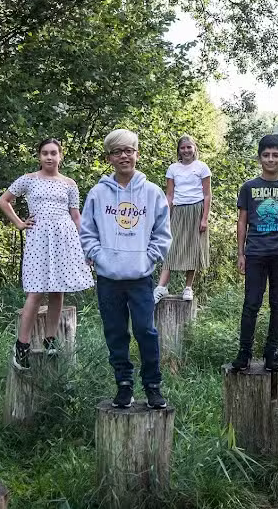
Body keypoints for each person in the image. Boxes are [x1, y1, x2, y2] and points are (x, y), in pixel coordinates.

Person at [80, 129, 171, 409]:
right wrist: (99, 256)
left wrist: (149, 259)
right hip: (108, 278)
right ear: (109, 158)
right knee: (116, 332)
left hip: (141, 277)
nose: (124, 156)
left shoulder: (152, 192)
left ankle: (152, 386)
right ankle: (124, 385)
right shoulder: (98, 193)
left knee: (146, 331)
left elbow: (162, 233)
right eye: (117, 152)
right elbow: (87, 231)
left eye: (129, 151)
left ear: (136, 154)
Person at [0, 138, 94, 370]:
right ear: (39, 156)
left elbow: (76, 216)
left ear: (60, 156)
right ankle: (21, 345)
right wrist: (20, 223)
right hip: (39, 238)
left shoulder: (69, 183)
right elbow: (4, 200)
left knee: (57, 291)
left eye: (53, 153)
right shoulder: (29, 180)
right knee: (36, 291)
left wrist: (85, 246)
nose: (49, 157)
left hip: (65, 237)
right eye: (44, 153)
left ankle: (50, 339)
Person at [232, 134, 278, 372]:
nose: (270, 159)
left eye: (276, 155)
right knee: (251, 303)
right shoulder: (249, 188)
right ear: (259, 158)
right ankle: (244, 353)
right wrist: (240, 253)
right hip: (255, 252)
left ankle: (271, 353)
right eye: (266, 155)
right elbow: (242, 222)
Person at [153, 135, 212, 303]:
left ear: (194, 149)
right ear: (178, 150)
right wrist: (165, 215)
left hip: (196, 209)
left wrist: (204, 218)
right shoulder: (173, 168)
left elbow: (207, 194)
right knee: (170, 247)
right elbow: (170, 195)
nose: (186, 150)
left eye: (189, 147)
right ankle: (161, 287)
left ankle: (188, 287)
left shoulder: (202, 167)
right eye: (182, 148)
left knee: (193, 248)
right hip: (178, 210)